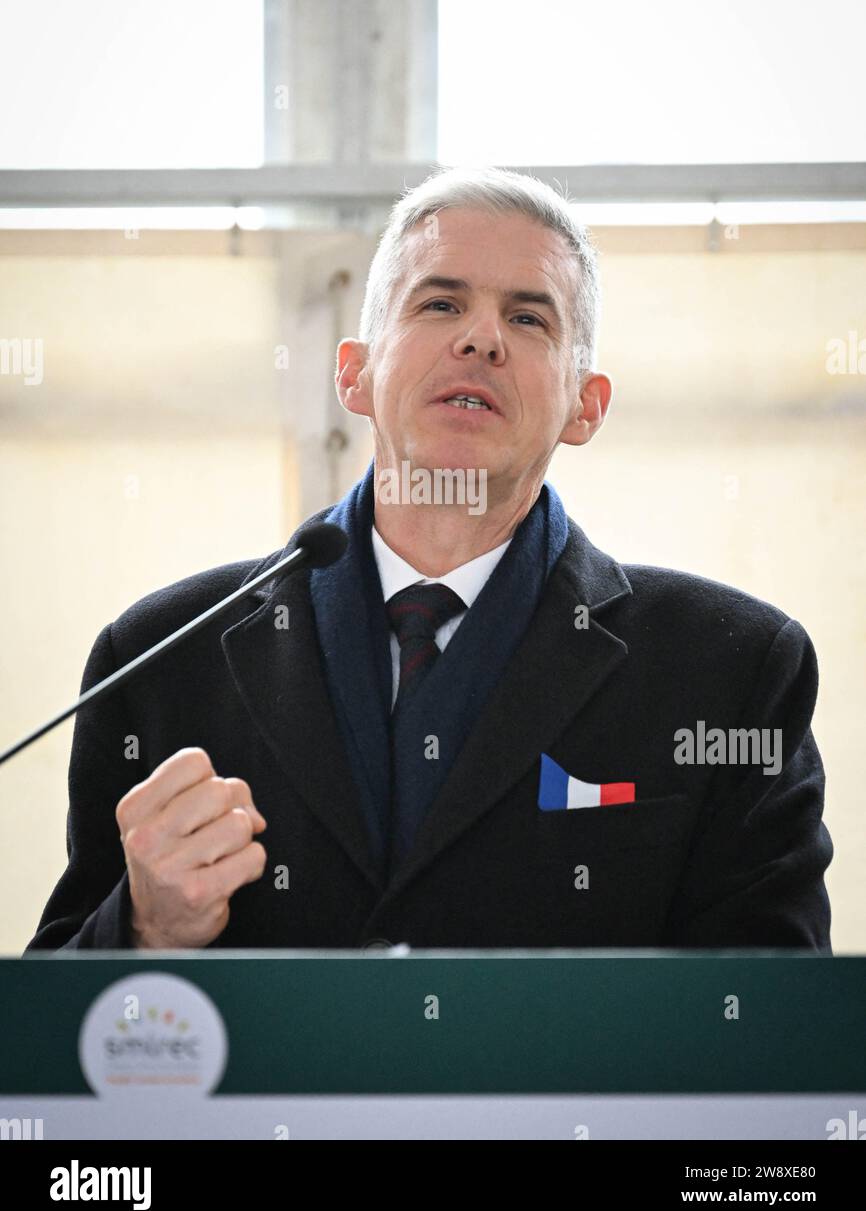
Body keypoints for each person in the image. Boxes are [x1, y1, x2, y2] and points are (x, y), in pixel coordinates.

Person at [25, 166, 833, 952]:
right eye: (440, 302)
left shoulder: (732, 672)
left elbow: (780, 1036)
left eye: (529, 319)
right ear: (356, 373)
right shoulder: (160, 660)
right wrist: (143, 930)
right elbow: (51, 1042)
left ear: (585, 406)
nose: (480, 338)